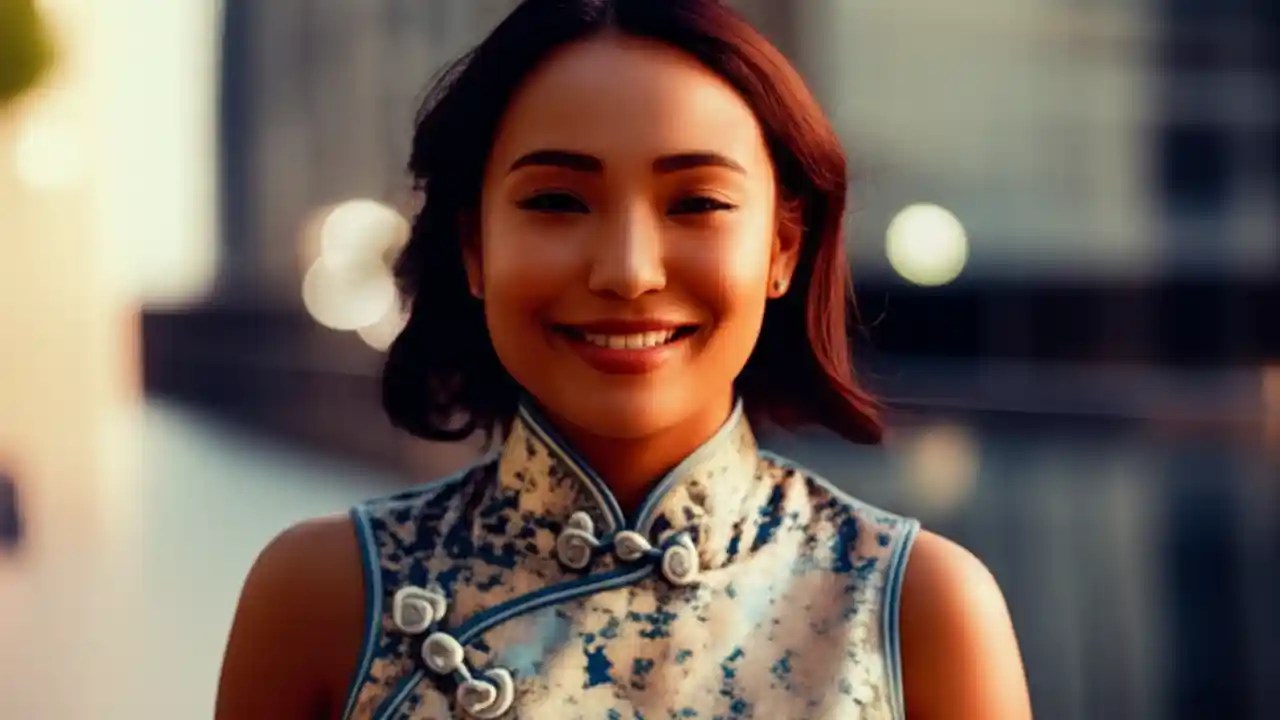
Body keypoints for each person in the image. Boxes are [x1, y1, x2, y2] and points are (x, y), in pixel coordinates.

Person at [216, 1, 1032, 717]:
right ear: (474, 247)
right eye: (557, 202)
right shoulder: (328, 597)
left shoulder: (915, 606)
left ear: (784, 248)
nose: (629, 271)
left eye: (697, 204)